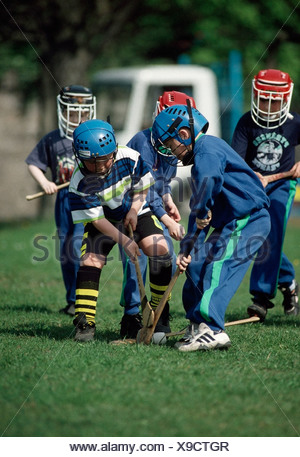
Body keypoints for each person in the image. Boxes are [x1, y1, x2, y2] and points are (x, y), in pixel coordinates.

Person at [151, 103, 271, 352]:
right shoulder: (200, 161)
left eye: (171, 146)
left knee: (217, 266)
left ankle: (214, 329)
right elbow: (199, 211)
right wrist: (187, 250)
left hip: (248, 220)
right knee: (196, 265)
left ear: (184, 134)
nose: (171, 153)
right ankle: (197, 326)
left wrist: (204, 209)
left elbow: (208, 184)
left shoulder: (208, 150)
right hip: (230, 223)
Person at [68, 119, 175, 342]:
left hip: (137, 211)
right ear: (79, 157)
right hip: (104, 220)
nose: (101, 167)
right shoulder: (79, 182)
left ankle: (158, 314)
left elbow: (142, 188)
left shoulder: (130, 157)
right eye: (92, 162)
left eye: (105, 160)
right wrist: (125, 241)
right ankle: (85, 322)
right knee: (90, 259)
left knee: (159, 249)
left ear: (114, 151)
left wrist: (135, 210)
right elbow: (96, 221)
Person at [119, 91, 195, 339]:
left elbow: (160, 185)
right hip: (127, 209)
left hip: (151, 208)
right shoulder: (144, 142)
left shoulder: (171, 150)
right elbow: (143, 188)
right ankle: (132, 317)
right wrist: (166, 219)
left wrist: (168, 200)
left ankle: (160, 314)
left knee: (167, 255)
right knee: (136, 260)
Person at [231, 69, 300, 319]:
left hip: (283, 186)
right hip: (253, 187)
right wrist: (251, 176)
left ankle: (260, 298)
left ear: (286, 99)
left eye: (275, 100)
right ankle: (289, 282)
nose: (269, 106)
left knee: (270, 233)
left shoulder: (294, 123)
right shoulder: (245, 123)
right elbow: (236, 160)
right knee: (256, 238)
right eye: (264, 99)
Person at [25, 85, 96, 316]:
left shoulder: (94, 137)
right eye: (72, 113)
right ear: (63, 112)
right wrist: (44, 182)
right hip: (64, 200)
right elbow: (33, 163)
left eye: (82, 113)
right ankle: (72, 300)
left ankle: (83, 298)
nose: (77, 118)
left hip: (86, 198)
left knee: (77, 246)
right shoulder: (53, 139)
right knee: (66, 250)